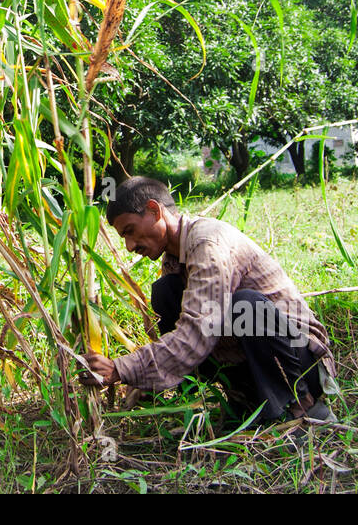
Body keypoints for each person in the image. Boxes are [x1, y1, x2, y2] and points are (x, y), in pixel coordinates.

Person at [84, 176, 338, 425]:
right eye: (123, 237)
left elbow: (197, 331)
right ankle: (245, 398)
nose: (129, 246)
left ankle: (302, 405)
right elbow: (190, 328)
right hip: (252, 361)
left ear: (154, 210)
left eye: (130, 231)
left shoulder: (207, 242)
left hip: (302, 363)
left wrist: (123, 368)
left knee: (245, 306)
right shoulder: (174, 260)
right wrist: (148, 380)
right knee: (166, 292)